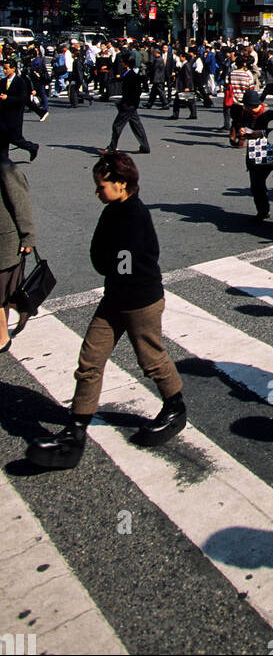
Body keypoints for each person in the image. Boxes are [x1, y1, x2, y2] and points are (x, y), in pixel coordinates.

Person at [26, 154, 185, 469]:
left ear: (121, 184)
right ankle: (75, 433)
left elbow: (123, 262)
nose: (96, 192)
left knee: (151, 359)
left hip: (140, 301)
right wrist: (109, 262)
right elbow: (100, 255)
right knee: (90, 360)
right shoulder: (113, 212)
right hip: (115, 298)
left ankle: (174, 406)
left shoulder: (135, 216)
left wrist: (110, 262)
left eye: (101, 186)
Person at [0, 162, 36, 351]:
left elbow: (21, 204)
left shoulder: (6, 169)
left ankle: (2, 338)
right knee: (4, 293)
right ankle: (20, 306)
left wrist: (28, 236)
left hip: (4, 243)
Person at [237, 89, 273, 221]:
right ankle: (262, 209)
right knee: (255, 184)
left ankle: (263, 210)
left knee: (258, 182)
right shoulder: (246, 114)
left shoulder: (269, 114)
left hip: (267, 151)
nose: (247, 109)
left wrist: (259, 133)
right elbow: (240, 125)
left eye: (248, 107)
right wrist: (242, 131)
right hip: (253, 152)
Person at [105, 52, 151, 154]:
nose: (120, 64)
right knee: (136, 126)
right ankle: (145, 147)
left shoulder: (131, 75)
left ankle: (112, 148)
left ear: (126, 64)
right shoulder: (129, 74)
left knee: (117, 125)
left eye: (122, 62)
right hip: (130, 105)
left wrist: (127, 103)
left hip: (128, 105)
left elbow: (135, 91)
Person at [0, 57, 40, 162]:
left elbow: (22, 98)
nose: (4, 71)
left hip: (15, 115)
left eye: (6, 68)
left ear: (13, 69)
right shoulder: (2, 82)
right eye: (3, 68)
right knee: (3, 139)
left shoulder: (20, 82)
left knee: (16, 139)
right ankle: (4, 161)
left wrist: (8, 98)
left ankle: (32, 147)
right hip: (3, 115)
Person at [171, 52, 198, 120]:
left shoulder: (186, 65)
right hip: (184, 85)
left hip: (184, 86)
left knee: (187, 100)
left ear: (184, 57)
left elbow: (187, 77)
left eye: (180, 56)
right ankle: (193, 114)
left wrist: (187, 87)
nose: (180, 58)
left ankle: (176, 115)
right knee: (189, 100)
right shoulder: (186, 65)